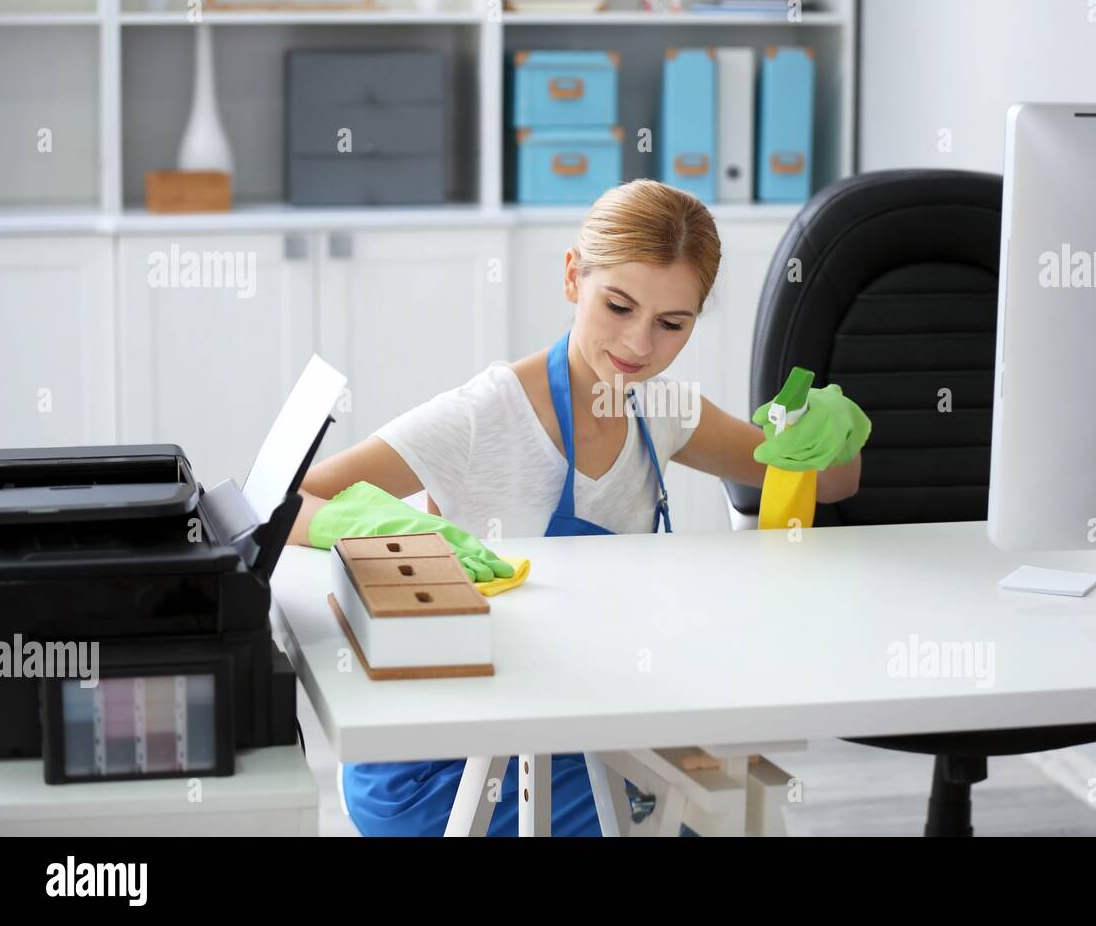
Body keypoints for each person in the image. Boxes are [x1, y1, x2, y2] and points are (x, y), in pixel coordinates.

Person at [288, 178, 870, 835]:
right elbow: (286, 504)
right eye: (618, 306)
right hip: (436, 762)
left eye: (671, 324)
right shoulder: (489, 415)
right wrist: (393, 530)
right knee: (695, 820)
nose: (639, 346)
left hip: (569, 716)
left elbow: (828, 485)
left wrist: (835, 433)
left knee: (730, 804)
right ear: (573, 277)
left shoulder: (663, 409)